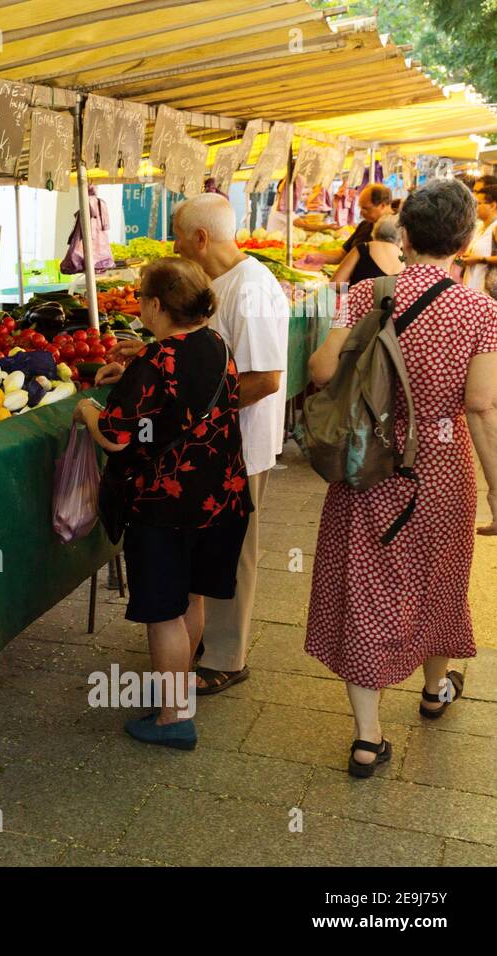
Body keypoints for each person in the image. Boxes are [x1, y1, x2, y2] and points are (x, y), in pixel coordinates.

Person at [306, 179, 497, 776]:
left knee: (366, 590)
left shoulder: (365, 295)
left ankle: (367, 739)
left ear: (405, 234)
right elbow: (482, 407)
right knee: (438, 579)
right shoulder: (481, 312)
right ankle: (435, 690)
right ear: (464, 242)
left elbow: (319, 370)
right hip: (439, 471)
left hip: (368, 466)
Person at [77, 258, 251, 749]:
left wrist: (88, 410)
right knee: (191, 597)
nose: (137, 303)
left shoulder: (157, 362)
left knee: (162, 611)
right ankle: (181, 697)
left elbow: (113, 435)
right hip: (222, 498)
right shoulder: (214, 343)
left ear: (155, 305)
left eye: (140, 297)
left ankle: (173, 716)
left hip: (166, 508)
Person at [165, 193, 288, 695]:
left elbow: (265, 378)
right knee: (213, 544)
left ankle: (226, 656)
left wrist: (199, 414)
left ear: (199, 238)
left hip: (242, 444)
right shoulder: (221, 284)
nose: (173, 246)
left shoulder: (252, 287)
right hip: (218, 441)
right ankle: (204, 639)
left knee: (235, 550)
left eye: (177, 235)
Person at [312, 184, 394, 267]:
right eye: (360, 208)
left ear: (382, 205)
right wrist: (314, 256)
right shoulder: (364, 225)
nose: (361, 213)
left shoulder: (398, 229)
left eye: (366, 209)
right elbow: (341, 254)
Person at [332, 214, 404, 289]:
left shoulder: (363, 248)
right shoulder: (404, 258)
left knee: (325, 295)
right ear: (401, 238)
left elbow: (335, 284)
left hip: (357, 299)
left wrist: (353, 291)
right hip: (389, 300)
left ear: (374, 232)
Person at [458, 181, 497, 295]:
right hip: (473, 289)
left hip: (487, 293)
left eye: (479, 203)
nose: (475, 207)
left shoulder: (495, 227)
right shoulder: (480, 226)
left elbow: (480, 257)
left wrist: (480, 259)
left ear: (493, 205)